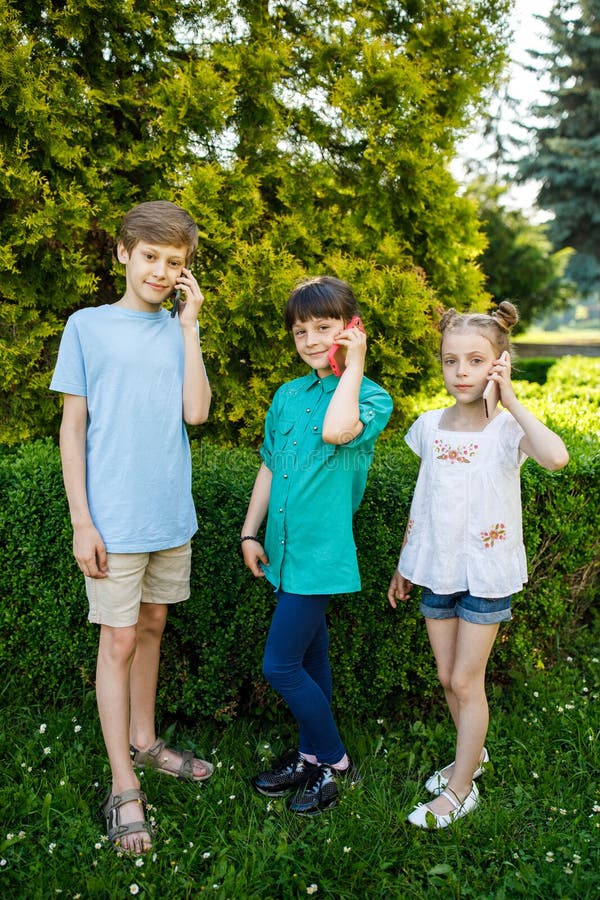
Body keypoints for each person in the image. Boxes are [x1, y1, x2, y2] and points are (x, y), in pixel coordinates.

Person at [50, 201, 214, 854]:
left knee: (151, 627)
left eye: (175, 262)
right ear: (123, 253)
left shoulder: (178, 330)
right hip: (111, 523)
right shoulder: (87, 327)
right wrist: (81, 521)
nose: (161, 270)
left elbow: (196, 413)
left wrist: (192, 328)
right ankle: (124, 785)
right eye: (151, 256)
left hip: (169, 515)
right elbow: (73, 428)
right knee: (117, 641)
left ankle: (145, 744)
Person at [388, 302, 569, 829]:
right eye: (451, 361)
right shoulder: (426, 427)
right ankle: (474, 752)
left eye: (474, 361)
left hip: (486, 574)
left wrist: (510, 398)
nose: (461, 372)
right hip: (435, 569)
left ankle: (462, 789)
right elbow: (423, 500)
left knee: (468, 681)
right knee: (449, 678)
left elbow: (556, 458)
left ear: (498, 363)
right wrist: (405, 563)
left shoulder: (507, 430)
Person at [241, 275, 393, 815]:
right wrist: (249, 531)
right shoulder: (287, 395)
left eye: (323, 327)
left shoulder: (371, 396)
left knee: (279, 665)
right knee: (311, 655)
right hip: (282, 550)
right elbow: (270, 464)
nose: (309, 339)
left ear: (351, 329)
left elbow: (336, 432)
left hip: (321, 556)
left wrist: (351, 367)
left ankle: (332, 758)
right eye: (300, 330)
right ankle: (311, 755)